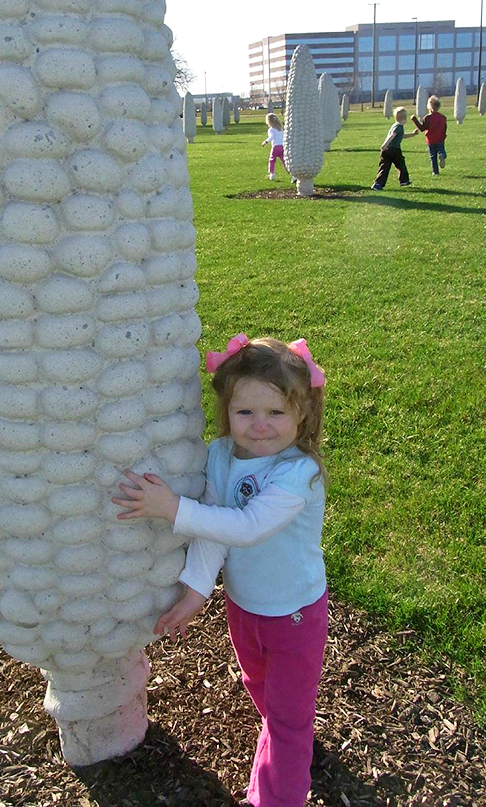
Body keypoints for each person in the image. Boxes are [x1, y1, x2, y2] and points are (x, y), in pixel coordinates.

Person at [114, 335, 328, 807]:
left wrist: (172, 509)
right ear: (227, 411)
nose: (260, 426)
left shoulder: (298, 474)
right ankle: (289, 736)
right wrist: (195, 592)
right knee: (260, 687)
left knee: (287, 721)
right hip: (244, 607)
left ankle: (277, 793)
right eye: (245, 412)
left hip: (294, 614)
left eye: (276, 412)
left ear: (303, 415)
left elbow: (247, 526)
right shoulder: (220, 456)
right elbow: (214, 527)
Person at [371, 106, 418, 190]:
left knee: (384, 167)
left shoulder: (395, 125)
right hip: (394, 150)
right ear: (404, 118)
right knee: (401, 165)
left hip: (386, 150)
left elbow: (401, 136)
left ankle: (377, 184)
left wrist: (412, 134)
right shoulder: (399, 126)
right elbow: (393, 135)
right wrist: (384, 144)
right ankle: (404, 180)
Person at [411, 96, 448, 176]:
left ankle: (435, 172)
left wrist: (414, 119)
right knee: (441, 150)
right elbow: (444, 128)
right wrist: (443, 136)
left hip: (430, 140)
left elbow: (422, 128)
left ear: (429, 107)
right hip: (440, 138)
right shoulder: (443, 117)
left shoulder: (427, 118)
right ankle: (442, 155)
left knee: (433, 156)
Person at [261, 114, 289, 180]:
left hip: (275, 147)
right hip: (282, 146)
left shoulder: (271, 129)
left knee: (272, 160)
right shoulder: (281, 128)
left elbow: (271, 137)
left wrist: (265, 142)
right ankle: (292, 174)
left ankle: (272, 174)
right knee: (284, 161)